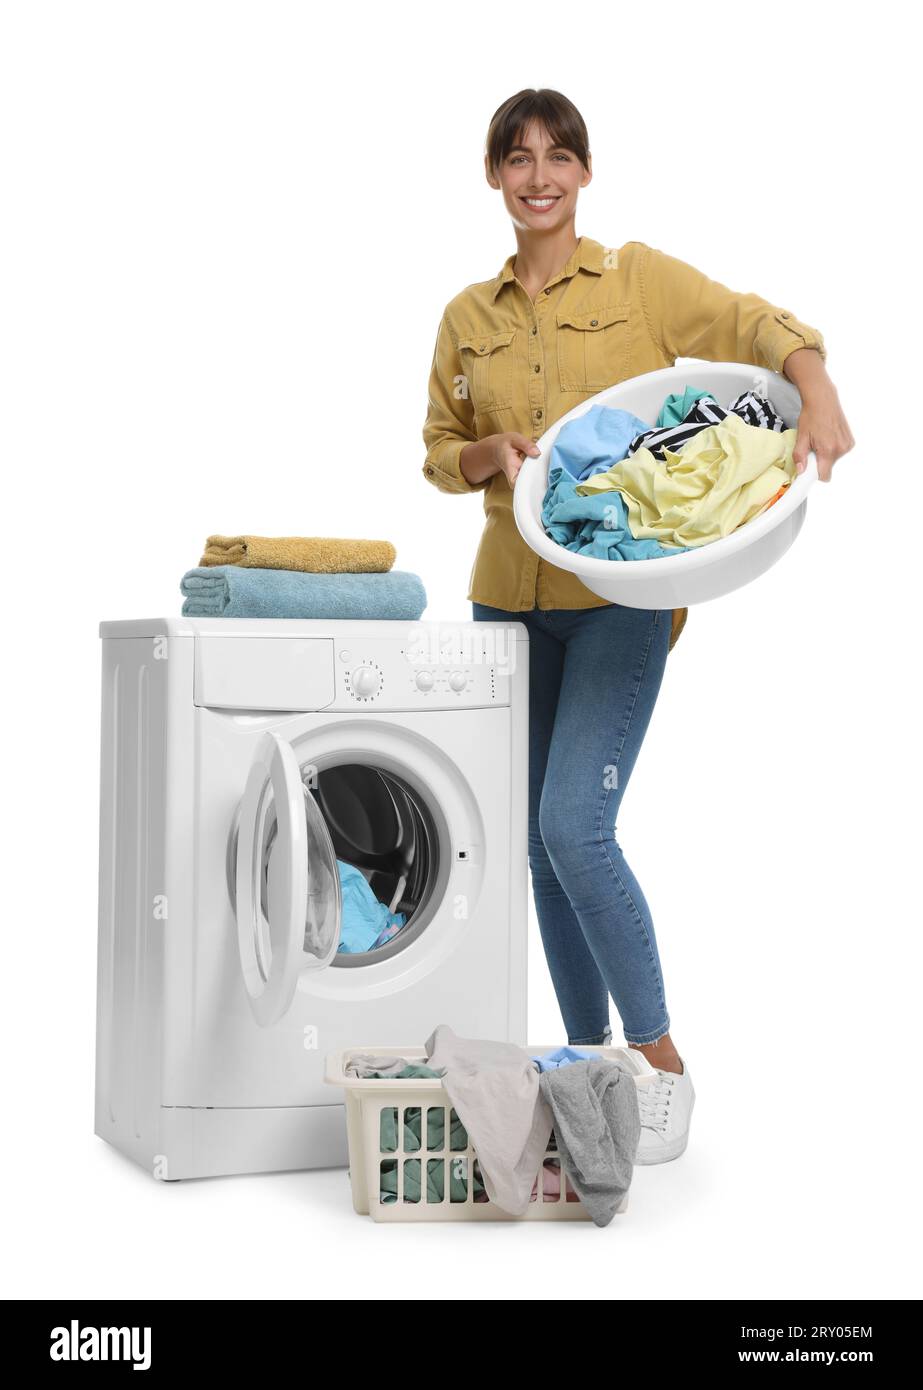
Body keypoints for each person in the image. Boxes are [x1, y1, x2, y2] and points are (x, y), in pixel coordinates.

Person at [421, 88, 854, 1163]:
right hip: (502, 600)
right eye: (516, 159)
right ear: (491, 176)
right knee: (530, 847)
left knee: (575, 829)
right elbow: (438, 445)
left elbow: (755, 324)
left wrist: (814, 382)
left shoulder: (634, 281)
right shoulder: (465, 317)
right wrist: (484, 455)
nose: (537, 177)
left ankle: (662, 1069)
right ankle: (589, 1065)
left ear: (582, 171)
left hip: (618, 602)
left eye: (556, 156)